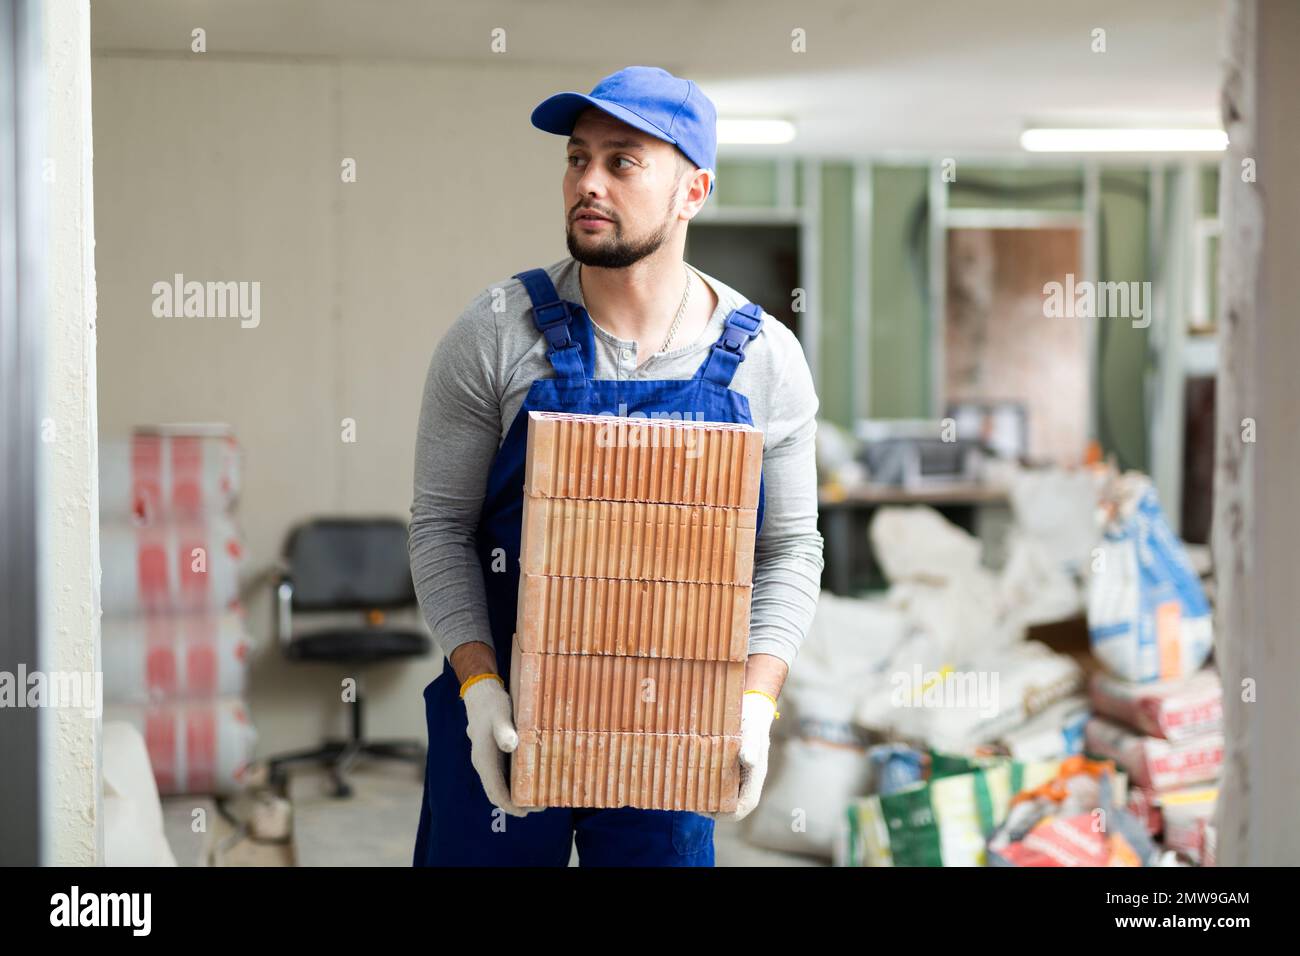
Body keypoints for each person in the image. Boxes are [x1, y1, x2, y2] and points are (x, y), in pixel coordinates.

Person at [410, 65, 823, 866]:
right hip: (509, 707)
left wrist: (753, 704)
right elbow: (440, 529)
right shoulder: (495, 332)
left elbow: (790, 548)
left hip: (675, 725)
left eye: (621, 161)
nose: (587, 182)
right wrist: (477, 685)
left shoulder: (763, 359)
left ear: (692, 191)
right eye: (576, 158)